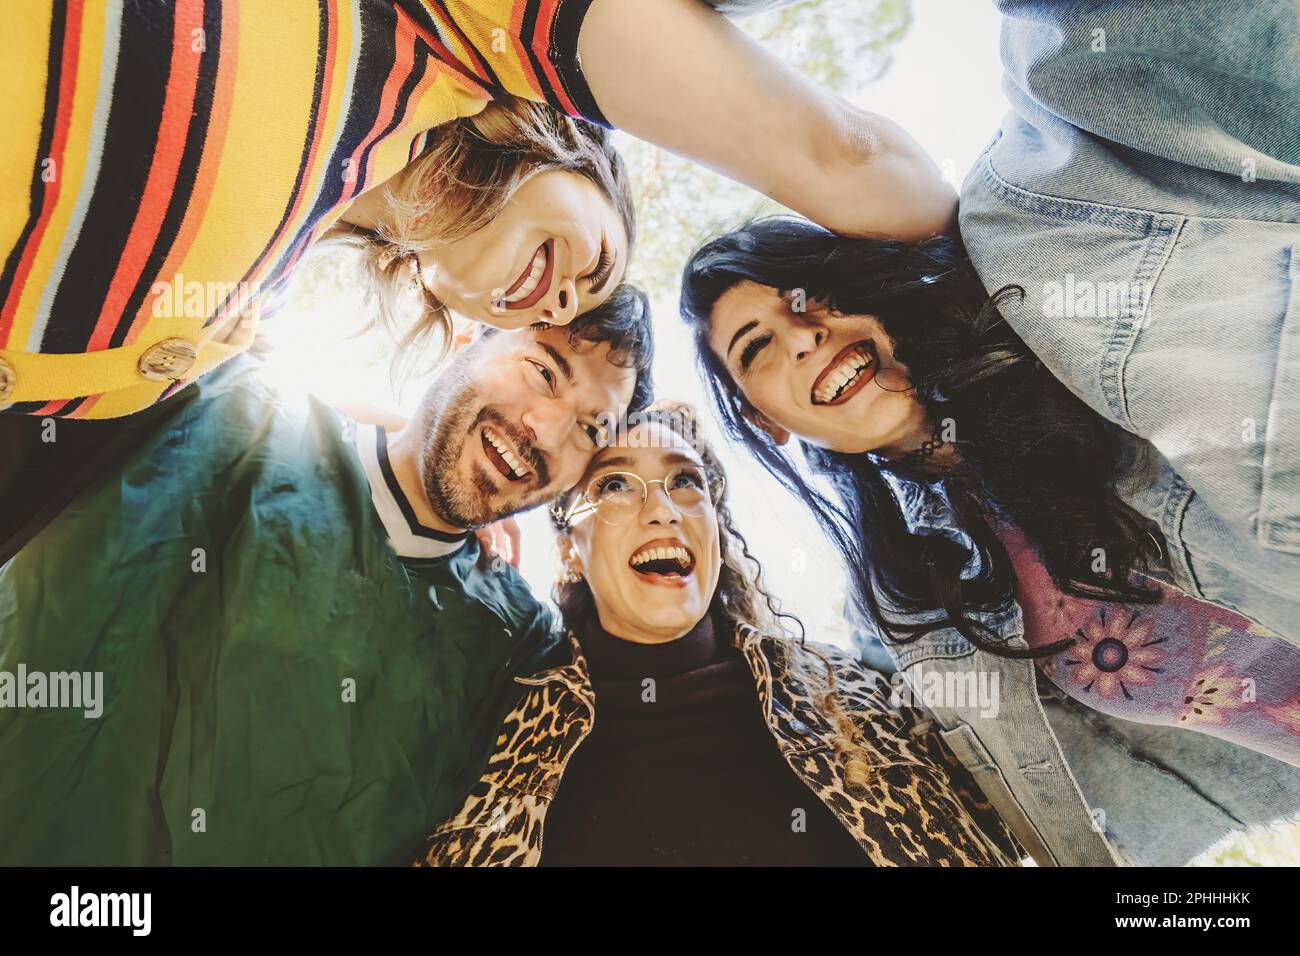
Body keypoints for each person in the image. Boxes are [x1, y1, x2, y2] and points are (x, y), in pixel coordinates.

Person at [680, 218, 1300, 865]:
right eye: (758, 348)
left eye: (808, 293)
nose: (804, 334)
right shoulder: (906, 621)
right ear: (763, 420)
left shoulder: (1053, 333)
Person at [0, 285, 653, 865]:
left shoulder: (516, 649)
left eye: (590, 429)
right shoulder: (226, 406)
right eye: (541, 371)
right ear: (464, 338)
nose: (545, 429)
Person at [415, 403, 1022, 866]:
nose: (665, 510)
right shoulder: (493, 736)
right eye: (616, 486)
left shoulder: (868, 694)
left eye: (686, 482)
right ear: (569, 549)